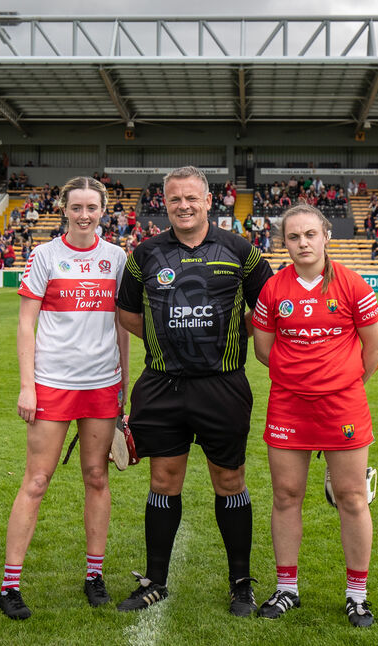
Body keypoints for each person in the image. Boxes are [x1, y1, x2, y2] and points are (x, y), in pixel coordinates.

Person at [114, 166, 274, 616]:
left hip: (222, 386)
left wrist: (230, 332)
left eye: (191, 198)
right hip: (162, 387)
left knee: (230, 480)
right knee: (163, 480)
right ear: (164, 203)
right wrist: (170, 338)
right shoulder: (144, 253)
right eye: (174, 199)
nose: (183, 206)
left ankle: (241, 583)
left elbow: (270, 305)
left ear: (209, 201)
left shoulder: (240, 250)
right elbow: (126, 314)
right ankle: (155, 581)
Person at [0, 176, 130, 620]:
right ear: (65, 210)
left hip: (101, 385)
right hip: (53, 383)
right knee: (36, 481)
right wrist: (26, 385)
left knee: (97, 477)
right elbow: (25, 325)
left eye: (93, 207)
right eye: (77, 207)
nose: (85, 214)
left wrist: (123, 385)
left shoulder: (116, 258)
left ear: (103, 210)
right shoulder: (45, 256)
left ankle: (94, 575)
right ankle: (10, 584)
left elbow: (121, 328)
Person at [250, 204, 378, 627]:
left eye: (310, 234)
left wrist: (340, 382)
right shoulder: (273, 289)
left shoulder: (352, 285)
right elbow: (263, 350)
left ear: (326, 236)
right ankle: (287, 588)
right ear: (284, 242)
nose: (303, 243)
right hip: (289, 404)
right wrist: (300, 380)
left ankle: (357, 595)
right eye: (293, 237)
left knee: (351, 497)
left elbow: (373, 347)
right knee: (287, 495)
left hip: (342, 406)